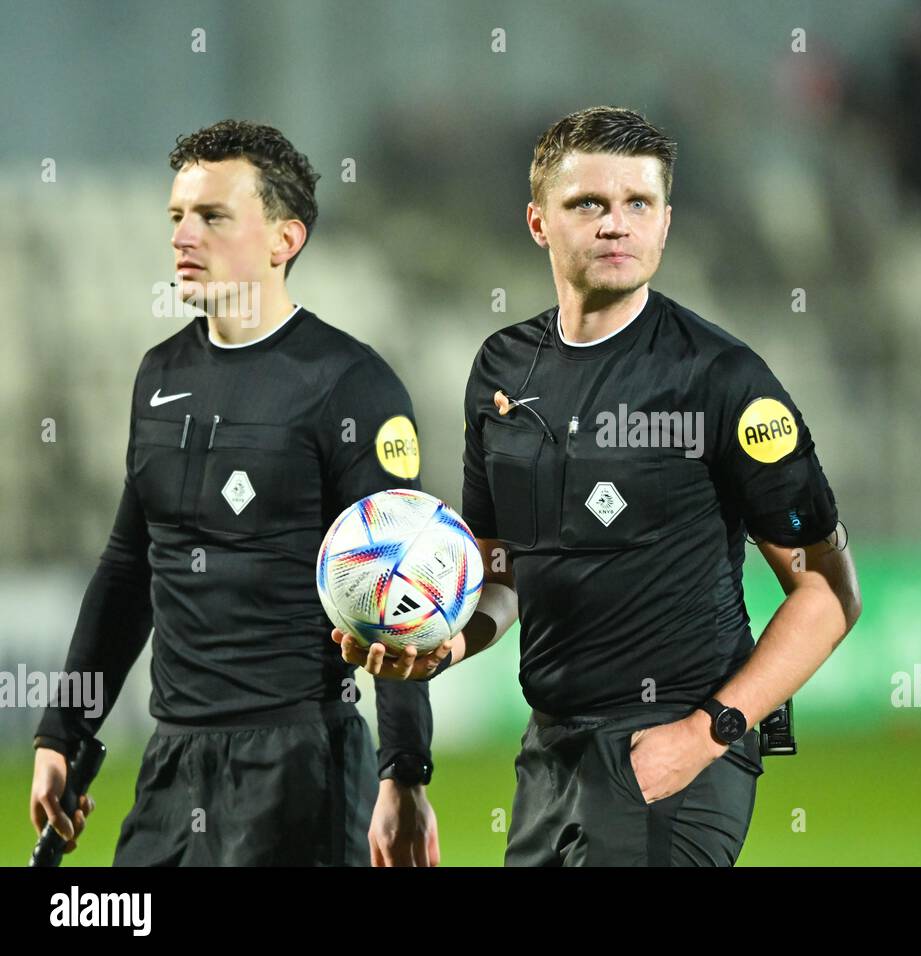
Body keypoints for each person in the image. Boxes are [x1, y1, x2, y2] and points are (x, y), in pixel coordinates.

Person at [336, 105, 861, 866]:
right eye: (589, 204)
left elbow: (828, 594)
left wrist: (707, 732)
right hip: (550, 751)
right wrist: (443, 645)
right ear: (539, 222)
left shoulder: (721, 379)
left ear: (666, 221)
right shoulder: (500, 374)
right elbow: (502, 575)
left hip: (672, 745)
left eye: (637, 204)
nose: (616, 224)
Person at [31, 119, 438, 866]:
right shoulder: (158, 376)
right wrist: (64, 730)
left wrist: (403, 774)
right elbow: (128, 568)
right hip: (172, 760)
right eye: (177, 216)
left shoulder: (351, 385)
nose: (185, 236)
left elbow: (393, 596)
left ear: (286, 239)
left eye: (213, 216)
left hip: (300, 761)